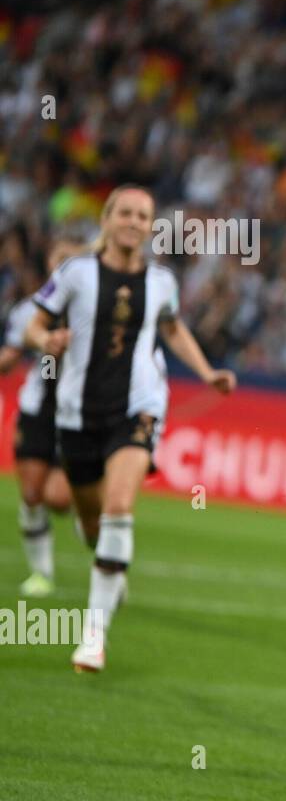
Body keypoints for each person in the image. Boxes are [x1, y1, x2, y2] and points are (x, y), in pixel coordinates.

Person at [24, 185, 236, 672]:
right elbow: (34, 324)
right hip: (77, 413)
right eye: (126, 213)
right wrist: (46, 339)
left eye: (143, 215)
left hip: (138, 407)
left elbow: (172, 327)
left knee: (120, 506)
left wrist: (205, 373)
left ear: (150, 225)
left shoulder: (161, 281)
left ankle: (93, 637)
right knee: (94, 524)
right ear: (107, 219)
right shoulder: (76, 273)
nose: (135, 222)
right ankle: (108, 563)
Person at [1, 231, 83, 597]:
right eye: (58, 258)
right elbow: (11, 358)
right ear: (49, 264)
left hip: (75, 411)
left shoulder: (90, 309)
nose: (63, 266)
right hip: (38, 408)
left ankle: (90, 511)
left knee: (60, 499)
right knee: (32, 492)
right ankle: (42, 573)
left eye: (72, 259)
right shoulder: (28, 310)